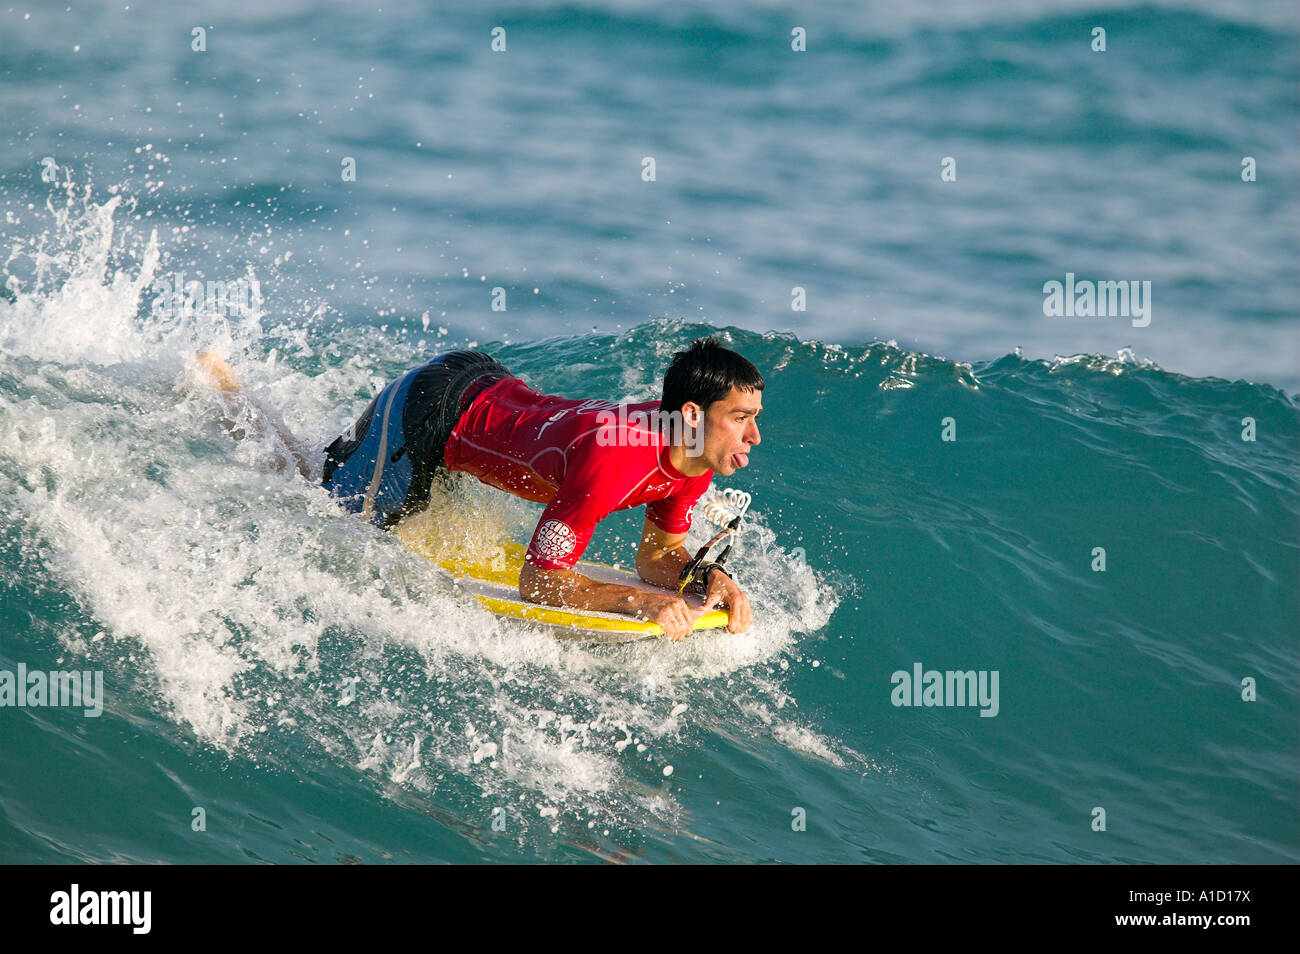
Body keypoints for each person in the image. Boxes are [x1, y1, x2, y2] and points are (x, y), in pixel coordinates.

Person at [193, 337, 762, 639]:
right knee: (314, 496)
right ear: (692, 414)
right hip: (432, 412)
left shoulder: (691, 458)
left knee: (358, 488)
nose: (755, 435)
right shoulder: (613, 459)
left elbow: (656, 556)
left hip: (485, 384)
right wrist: (642, 602)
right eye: (740, 418)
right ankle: (218, 387)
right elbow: (540, 582)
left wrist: (707, 579)